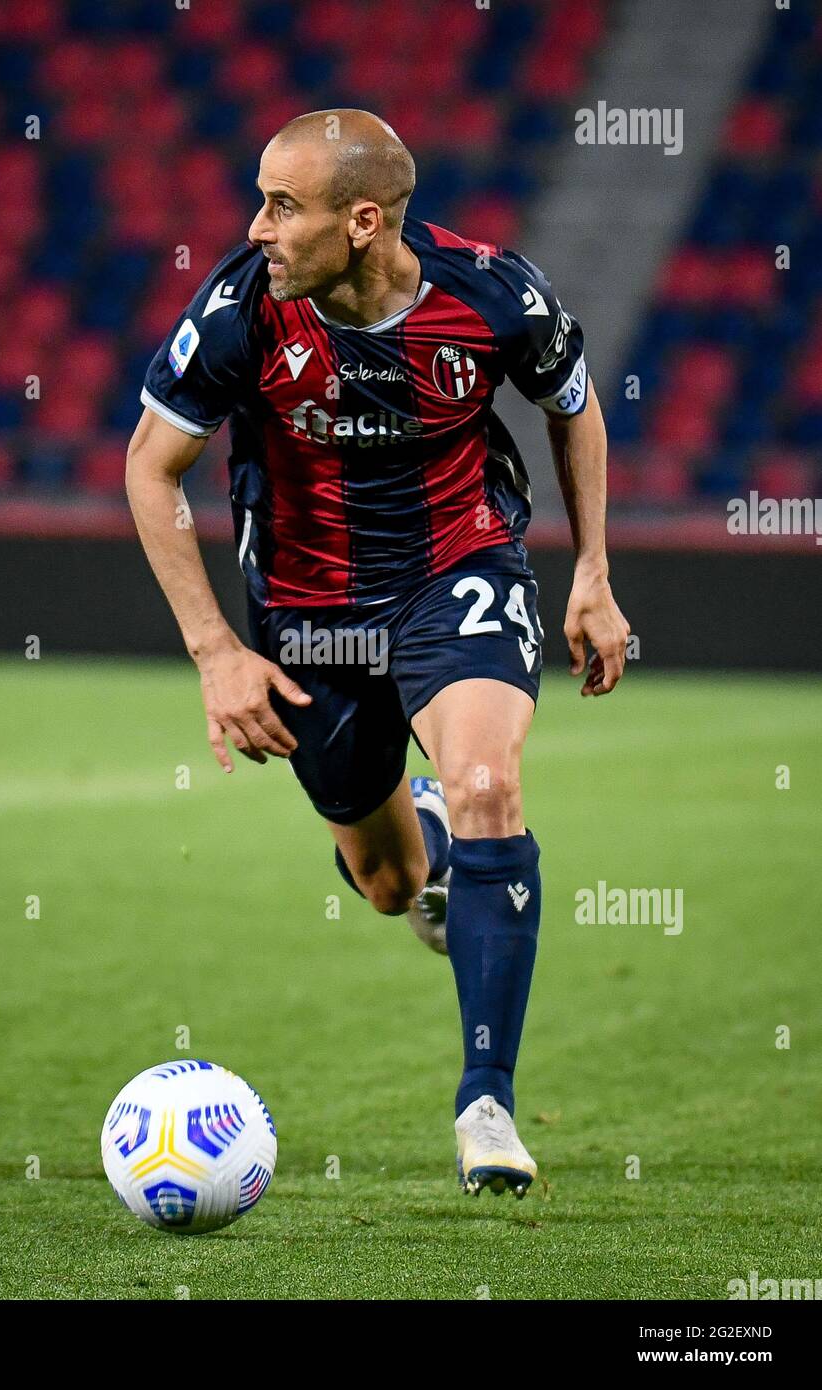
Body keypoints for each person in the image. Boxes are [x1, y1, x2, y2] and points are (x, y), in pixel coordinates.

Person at [126, 109, 630, 1200]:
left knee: (493, 779)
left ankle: (485, 1100)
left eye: (282, 205)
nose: (257, 228)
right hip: (310, 614)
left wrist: (590, 571)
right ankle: (431, 849)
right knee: (390, 881)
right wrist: (215, 649)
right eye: (260, 199)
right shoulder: (239, 315)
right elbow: (149, 468)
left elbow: (573, 405)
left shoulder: (493, 293)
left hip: (462, 568)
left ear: (362, 221)